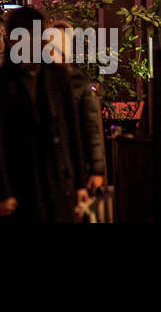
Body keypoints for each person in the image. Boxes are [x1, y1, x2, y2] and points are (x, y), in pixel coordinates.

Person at [0, 7, 89, 224]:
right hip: (19, 182)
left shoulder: (58, 77)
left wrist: (79, 183)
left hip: (57, 178)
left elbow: (72, 130)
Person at [47, 18, 107, 202]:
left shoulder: (77, 81)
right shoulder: (40, 80)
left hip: (76, 162)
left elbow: (91, 128)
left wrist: (96, 169)